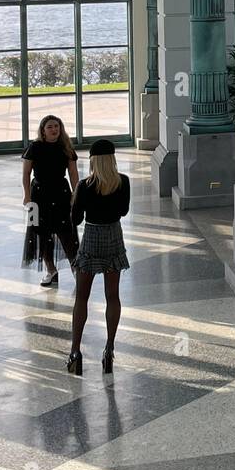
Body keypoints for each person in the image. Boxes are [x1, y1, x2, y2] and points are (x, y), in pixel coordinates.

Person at [67, 139, 131, 377]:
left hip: (92, 237)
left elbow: (76, 220)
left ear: (93, 160)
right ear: (112, 159)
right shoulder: (123, 181)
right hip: (114, 236)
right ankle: (109, 349)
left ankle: (75, 353)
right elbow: (124, 211)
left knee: (81, 297)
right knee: (112, 296)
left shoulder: (84, 185)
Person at [22, 115, 79, 287]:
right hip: (39, 194)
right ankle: (51, 270)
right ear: (43, 130)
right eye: (50, 127)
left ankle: (76, 269)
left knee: (66, 232)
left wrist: (76, 195)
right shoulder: (35, 147)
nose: (54, 129)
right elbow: (26, 174)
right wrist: (27, 196)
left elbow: (73, 174)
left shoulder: (66, 147)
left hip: (61, 192)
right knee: (41, 233)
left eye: (56, 126)